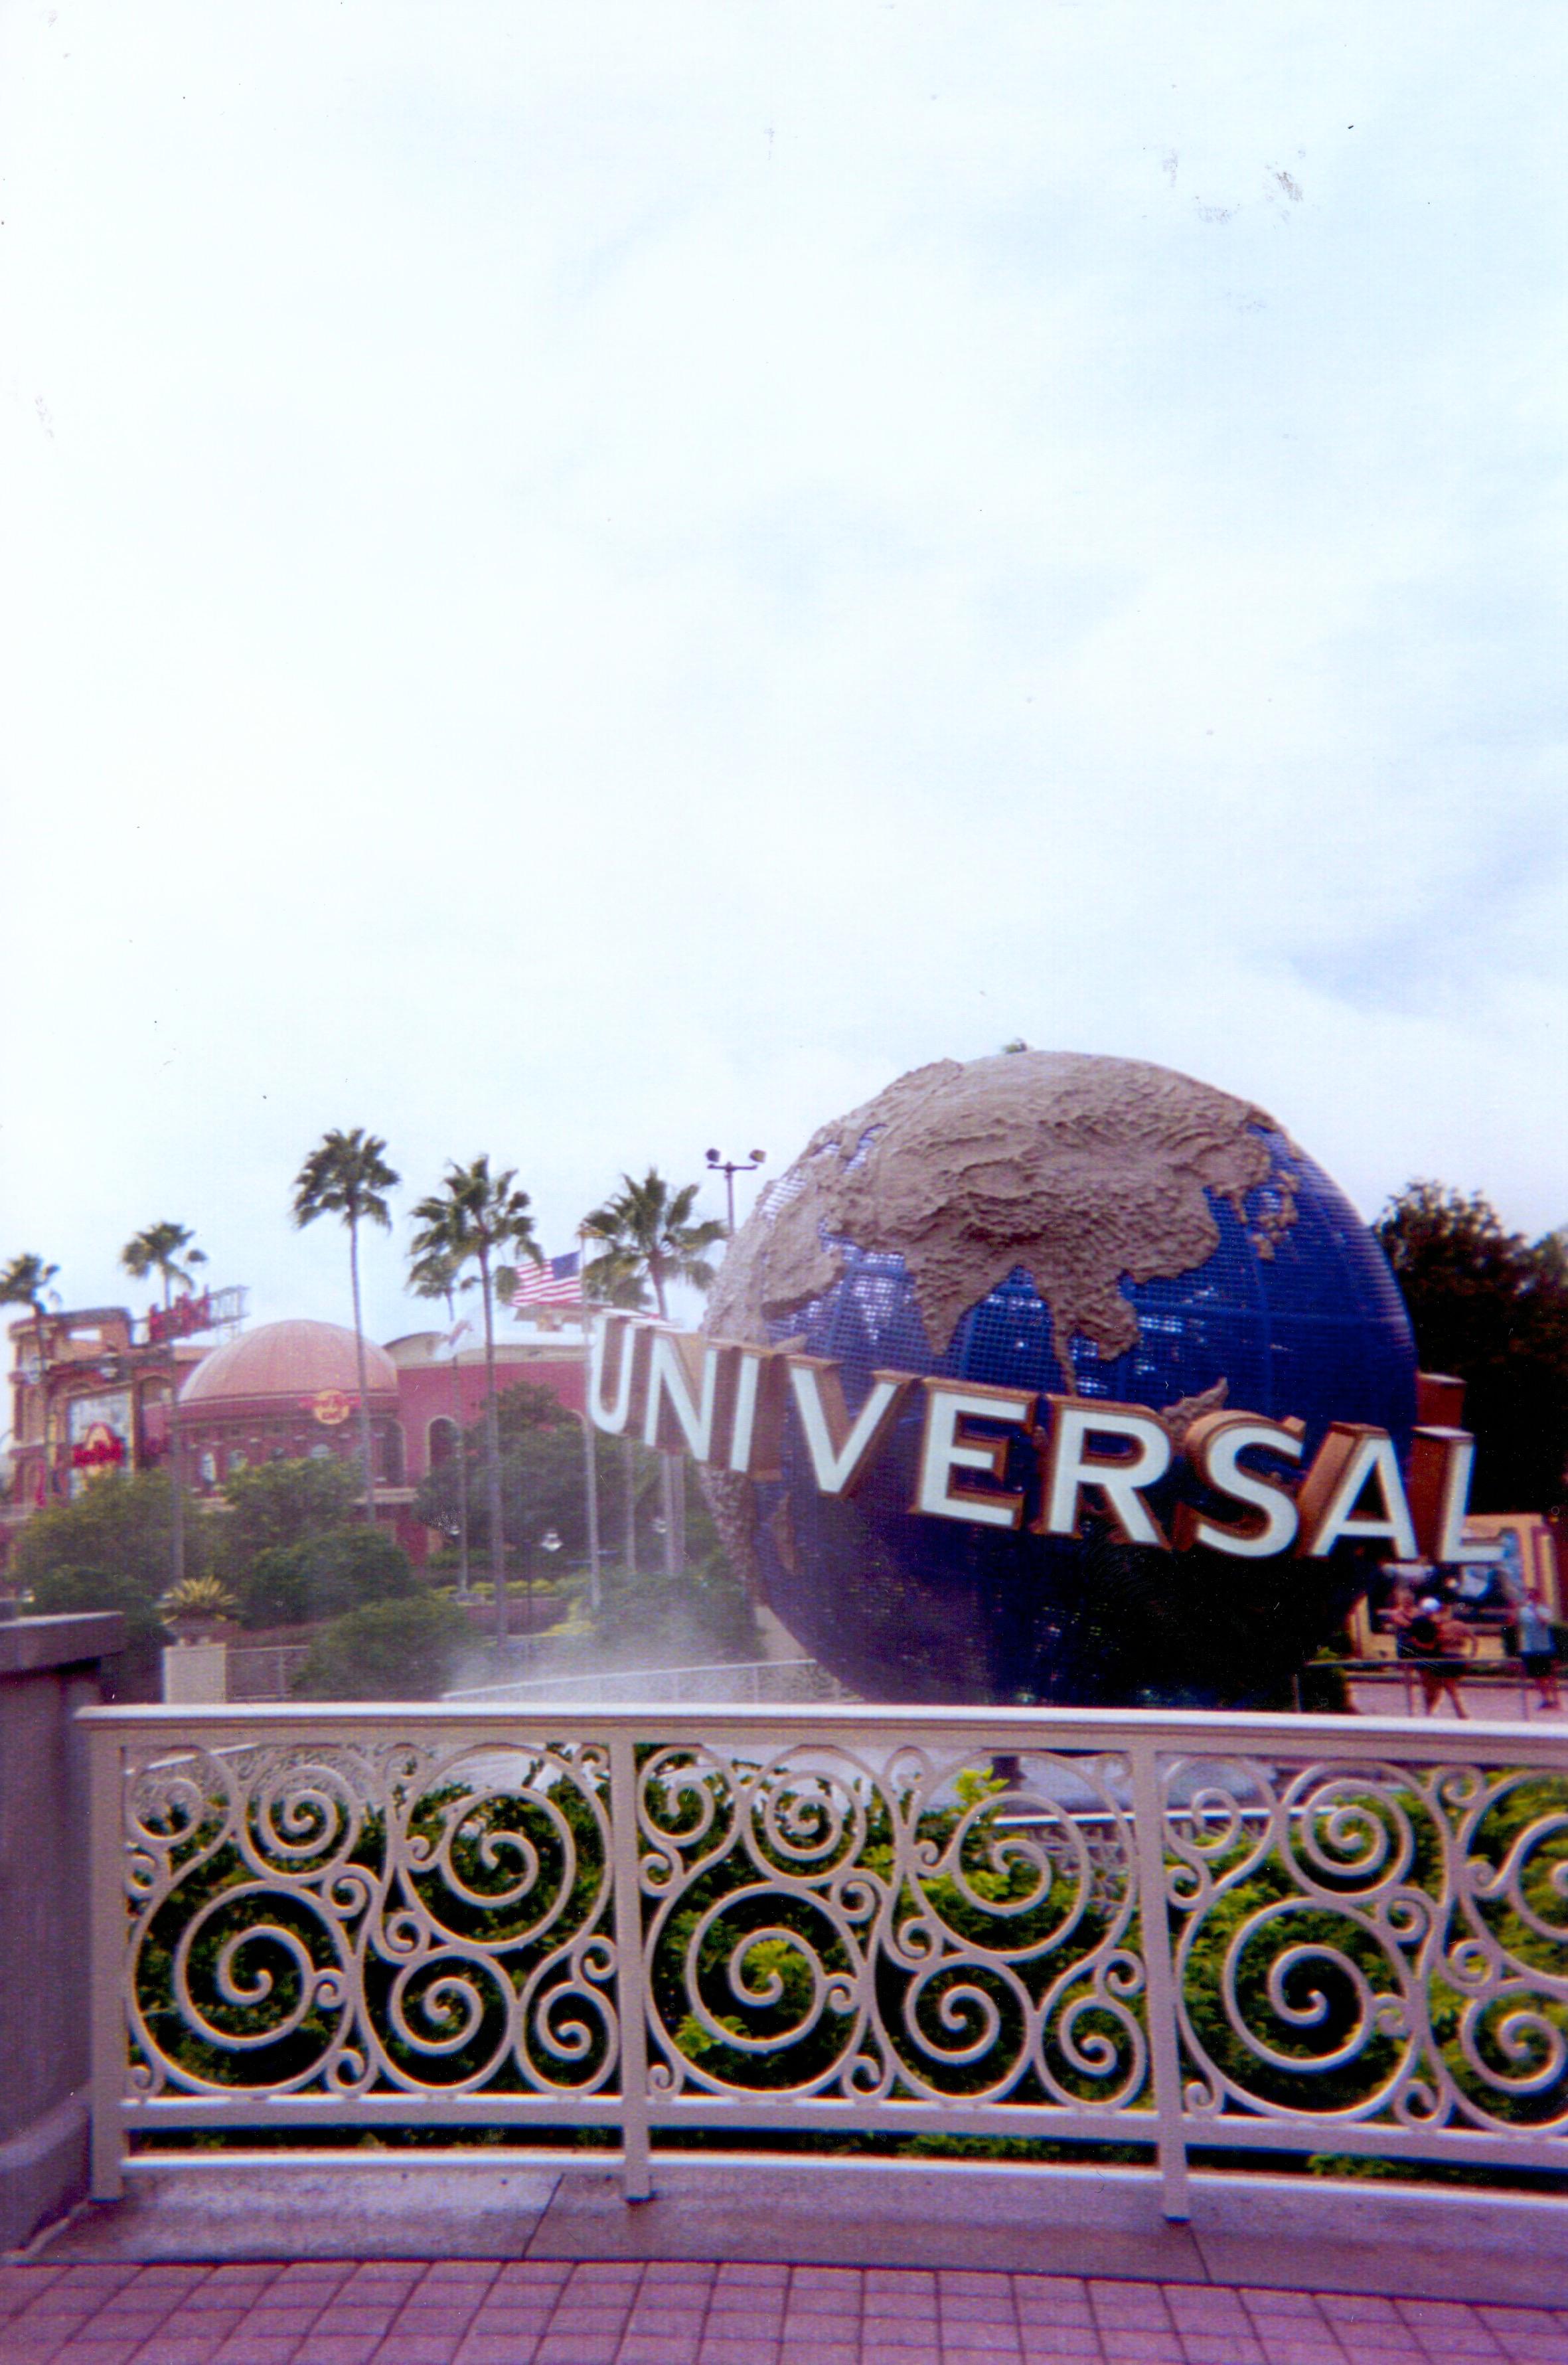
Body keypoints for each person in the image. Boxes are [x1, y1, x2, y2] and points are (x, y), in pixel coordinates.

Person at [1394, 1594, 1470, 1718]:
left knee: (1438, 1687)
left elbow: (1430, 1639)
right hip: (1427, 1657)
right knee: (1434, 1687)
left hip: (1433, 1657)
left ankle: (1436, 1713)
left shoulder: (1427, 1621)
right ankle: (1435, 1713)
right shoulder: (1419, 1620)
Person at [1513, 1584, 1562, 1712]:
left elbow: (1545, 1622)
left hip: (1544, 1647)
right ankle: (1546, 1699)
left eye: (1532, 1595)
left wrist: (1535, 1610)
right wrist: (1515, 1609)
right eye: (1529, 1596)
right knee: (1537, 1676)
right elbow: (1515, 1624)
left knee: (1550, 1676)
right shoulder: (1524, 1611)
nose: (1530, 1598)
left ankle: (1556, 1700)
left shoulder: (1544, 1609)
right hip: (1530, 1648)